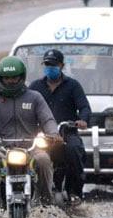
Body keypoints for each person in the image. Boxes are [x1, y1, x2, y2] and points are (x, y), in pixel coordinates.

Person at [0, 56, 59, 214]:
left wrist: (53, 133)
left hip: (31, 147)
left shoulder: (35, 97)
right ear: (0, 78)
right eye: (7, 78)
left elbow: (48, 119)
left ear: (22, 77)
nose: (11, 81)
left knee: (44, 160)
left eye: (14, 77)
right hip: (1, 148)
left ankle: (47, 206)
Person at [29, 49, 91, 201]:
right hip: (41, 135)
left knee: (74, 151)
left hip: (66, 133)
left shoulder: (73, 86)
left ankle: (74, 193)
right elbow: (23, 105)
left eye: (53, 65)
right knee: (24, 155)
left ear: (62, 65)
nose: (50, 68)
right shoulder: (35, 87)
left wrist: (82, 120)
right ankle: (26, 193)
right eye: (47, 65)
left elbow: (84, 107)